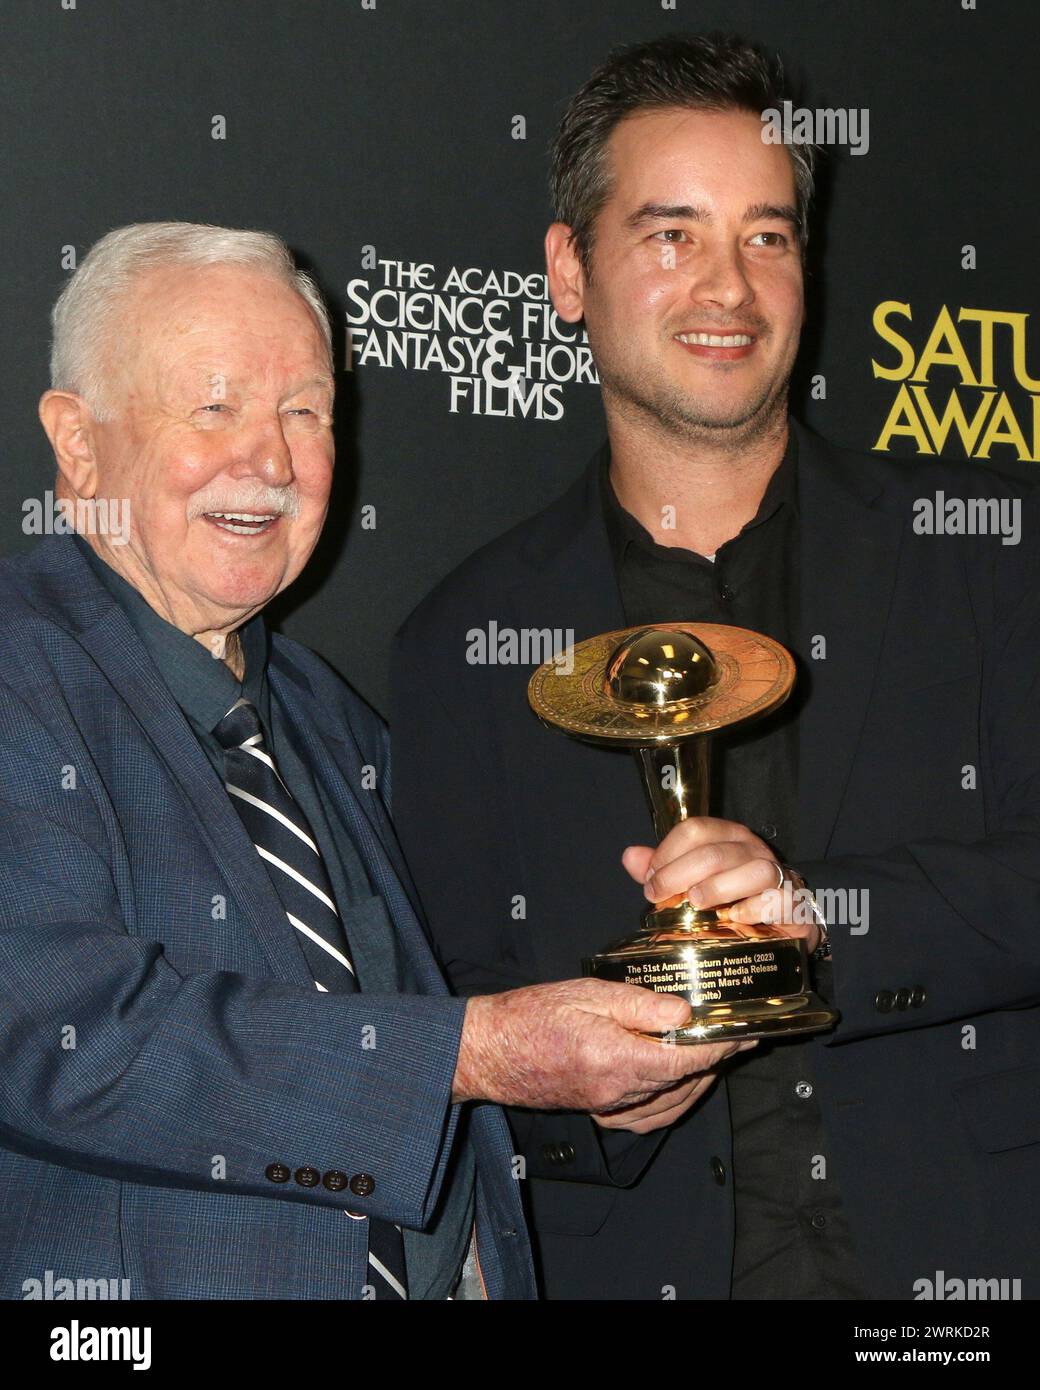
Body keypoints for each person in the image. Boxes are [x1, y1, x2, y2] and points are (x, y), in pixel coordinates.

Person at [392, 34, 1040, 1299]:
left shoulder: (984, 558)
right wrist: (585, 1112)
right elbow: (451, 1018)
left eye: (766, 234)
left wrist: (816, 918)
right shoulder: (464, 640)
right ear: (568, 271)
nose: (728, 288)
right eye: (670, 233)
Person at [0, 220, 743, 1301]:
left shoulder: (321, 714)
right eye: (213, 406)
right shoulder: (19, 671)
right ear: (77, 442)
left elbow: (438, 1054)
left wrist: (604, 1083)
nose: (271, 458)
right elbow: (66, 1039)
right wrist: (477, 1051)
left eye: (305, 410)